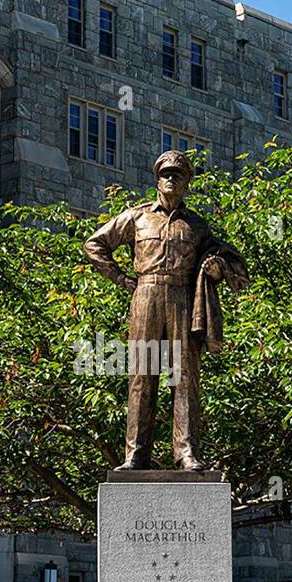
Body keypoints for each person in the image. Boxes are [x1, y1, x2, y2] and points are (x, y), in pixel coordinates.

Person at [82, 150, 248, 470]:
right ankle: (135, 454)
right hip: (146, 295)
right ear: (157, 179)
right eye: (166, 173)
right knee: (142, 376)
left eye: (178, 174)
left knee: (184, 377)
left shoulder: (197, 226)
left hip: (184, 298)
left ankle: (186, 452)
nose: (171, 179)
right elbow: (94, 245)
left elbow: (223, 262)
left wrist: (215, 267)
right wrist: (119, 278)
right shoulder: (137, 217)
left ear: (188, 182)